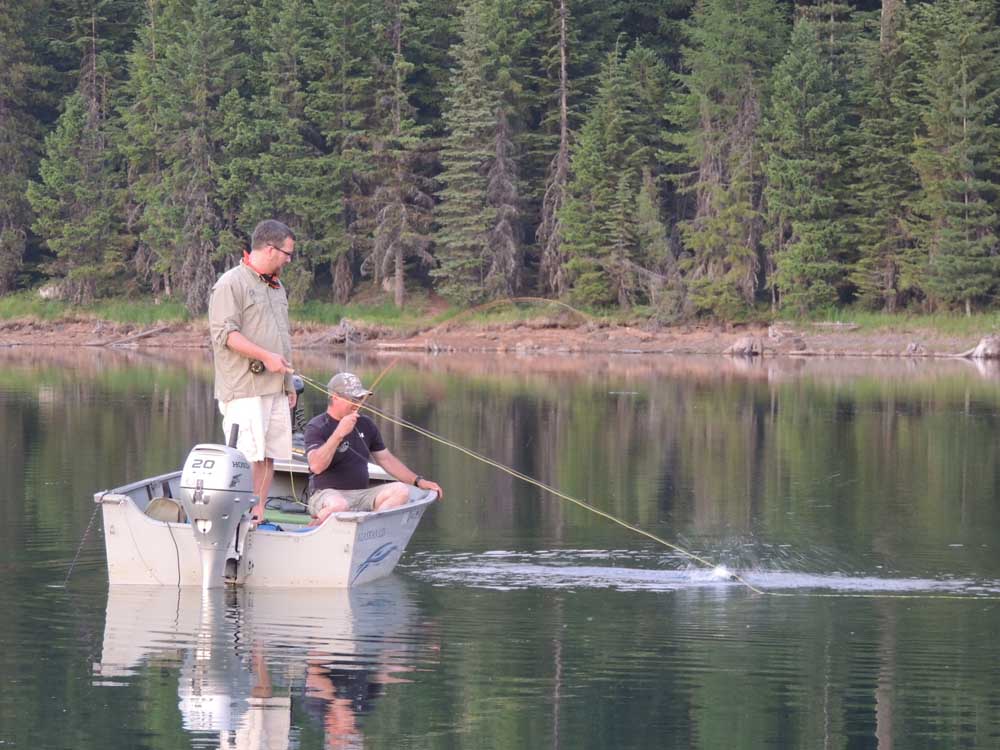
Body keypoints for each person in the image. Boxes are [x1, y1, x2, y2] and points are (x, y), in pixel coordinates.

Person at [208, 219, 297, 522]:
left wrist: (287, 384)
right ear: (271, 249)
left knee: (268, 454)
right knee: (247, 456)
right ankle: (237, 514)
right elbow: (225, 335)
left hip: (275, 387)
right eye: (287, 253)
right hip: (244, 389)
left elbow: (281, 337)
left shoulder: (277, 286)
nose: (289, 260)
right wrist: (266, 357)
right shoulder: (230, 283)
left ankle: (257, 511)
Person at [303, 372, 443, 525]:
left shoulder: (366, 424)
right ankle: (310, 532)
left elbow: (386, 459)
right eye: (353, 399)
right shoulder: (317, 425)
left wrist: (418, 481)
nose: (358, 403)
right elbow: (316, 466)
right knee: (338, 506)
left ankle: (368, 528)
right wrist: (338, 434)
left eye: (360, 398)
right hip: (326, 495)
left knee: (401, 491)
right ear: (335, 397)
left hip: (362, 494)